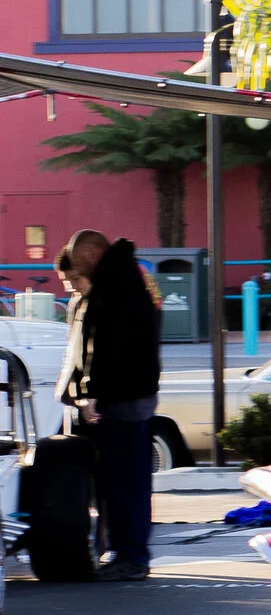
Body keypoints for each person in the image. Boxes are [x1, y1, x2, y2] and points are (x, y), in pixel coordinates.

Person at [54, 230, 161, 579]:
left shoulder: (114, 289)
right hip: (132, 395)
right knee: (127, 480)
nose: (75, 280)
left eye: (78, 262)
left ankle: (130, 557)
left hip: (122, 398)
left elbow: (106, 348)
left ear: (90, 253)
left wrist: (91, 392)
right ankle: (129, 553)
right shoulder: (128, 281)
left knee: (124, 481)